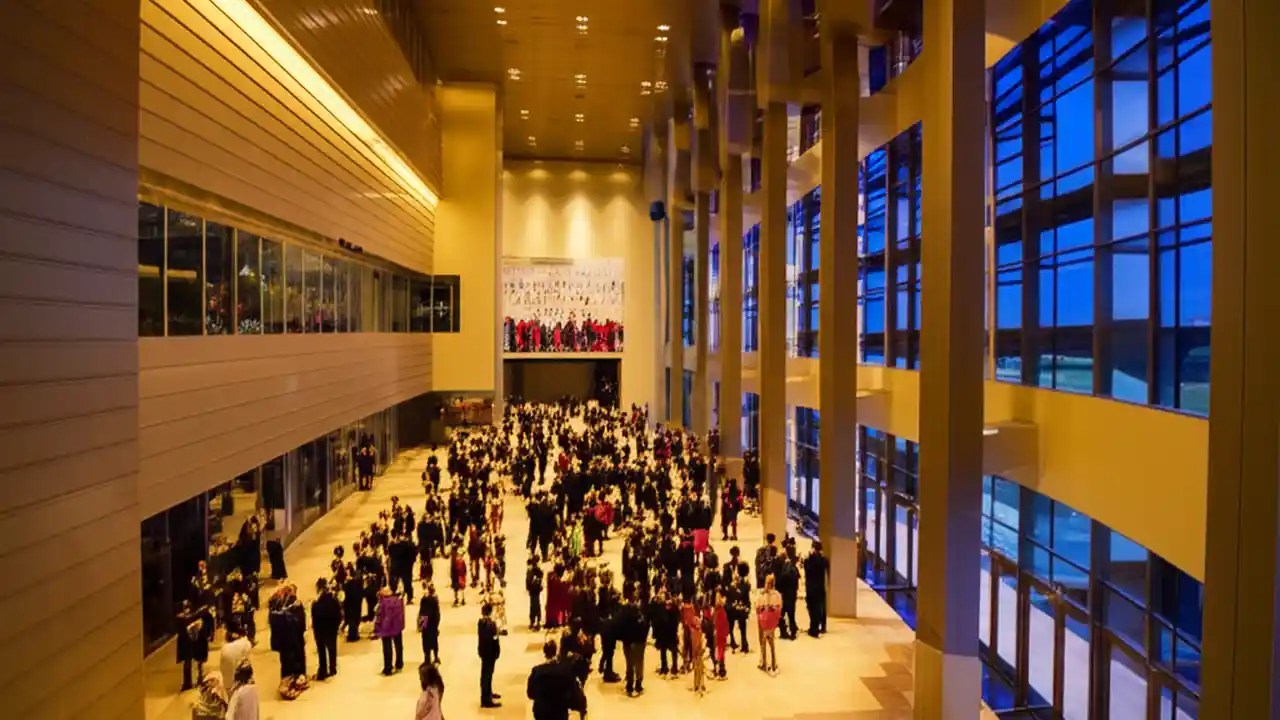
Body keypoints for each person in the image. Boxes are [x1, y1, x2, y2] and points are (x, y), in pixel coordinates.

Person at [527, 639, 586, 720]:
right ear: (556, 652)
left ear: (544, 653)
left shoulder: (537, 671)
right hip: (559, 712)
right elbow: (574, 692)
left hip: (541, 711)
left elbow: (530, 693)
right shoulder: (566, 671)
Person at [618, 585, 649, 696]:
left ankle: (630, 685)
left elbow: (620, 625)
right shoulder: (640, 610)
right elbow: (645, 625)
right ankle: (638, 685)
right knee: (639, 663)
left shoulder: (624, 609)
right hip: (638, 640)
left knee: (630, 663)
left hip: (628, 640)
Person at [311, 578, 342, 680]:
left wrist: (315, 631)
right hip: (331, 629)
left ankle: (323, 671)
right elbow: (339, 614)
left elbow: (315, 618)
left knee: (322, 651)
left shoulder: (316, 603)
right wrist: (336, 626)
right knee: (332, 649)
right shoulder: (333, 599)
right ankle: (333, 668)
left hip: (320, 630)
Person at [373, 586, 406, 676]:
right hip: (397, 626)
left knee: (387, 649)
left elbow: (384, 617)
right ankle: (399, 663)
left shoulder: (384, 603)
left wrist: (380, 628)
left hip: (387, 628)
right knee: (398, 645)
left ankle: (388, 668)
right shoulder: (398, 600)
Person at [478, 602, 503, 708]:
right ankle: (486, 698)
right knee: (487, 675)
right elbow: (494, 639)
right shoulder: (490, 624)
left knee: (487, 674)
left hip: (485, 652)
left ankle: (488, 693)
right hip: (489, 652)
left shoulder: (482, 622)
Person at [755, 575, 782, 673]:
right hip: (771, 622)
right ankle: (773, 662)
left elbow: (757, 607)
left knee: (763, 641)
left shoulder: (762, 594)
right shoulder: (777, 595)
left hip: (763, 620)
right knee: (771, 642)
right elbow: (779, 609)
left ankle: (764, 662)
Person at [803, 541, 830, 637]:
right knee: (820, 608)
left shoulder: (809, 560)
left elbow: (806, 567)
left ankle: (814, 628)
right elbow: (826, 565)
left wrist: (811, 557)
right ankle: (821, 626)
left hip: (811, 588)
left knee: (813, 608)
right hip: (820, 587)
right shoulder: (823, 560)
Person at [218, 622, 252, 692]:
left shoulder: (225, 648)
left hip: (228, 682)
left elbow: (222, 667)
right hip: (241, 682)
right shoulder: (246, 643)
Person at [418, 582, 442, 665]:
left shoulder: (427, 600)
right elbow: (436, 614)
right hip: (431, 625)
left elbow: (422, 613)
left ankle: (429, 657)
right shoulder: (429, 600)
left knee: (427, 642)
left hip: (429, 624)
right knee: (432, 642)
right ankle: (432, 657)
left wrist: (421, 625)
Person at [526, 557, 544, 630]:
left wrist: (528, 588)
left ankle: (533, 622)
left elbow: (527, 581)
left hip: (533, 591)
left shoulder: (530, 571)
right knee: (537, 605)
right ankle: (537, 621)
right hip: (536, 591)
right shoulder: (538, 570)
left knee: (533, 606)